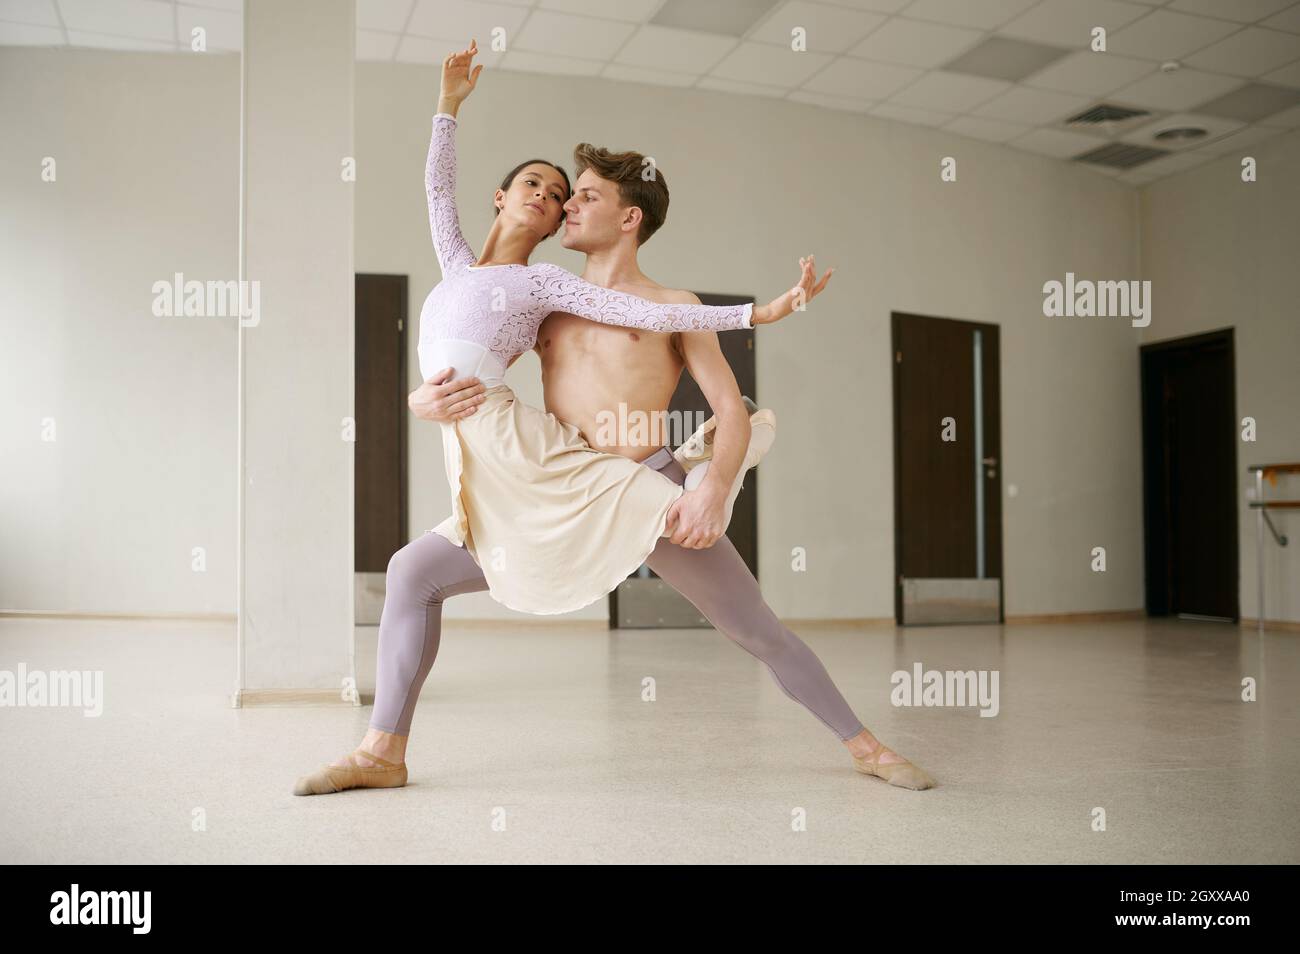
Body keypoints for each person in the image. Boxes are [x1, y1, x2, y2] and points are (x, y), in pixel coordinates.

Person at [293, 41, 933, 796]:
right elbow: (469, 357)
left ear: (628, 217)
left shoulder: (674, 306)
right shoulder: (544, 301)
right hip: (557, 485)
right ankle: (383, 753)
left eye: (582, 196)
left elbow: (730, 409)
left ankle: (866, 747)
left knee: (752, 626)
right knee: (411, 574)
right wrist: (422, 399)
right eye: (555, 193)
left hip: (644, 486)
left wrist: (712, 490)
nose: (565, 205)